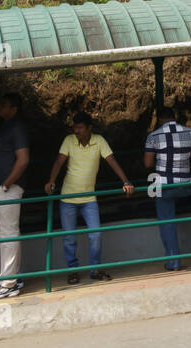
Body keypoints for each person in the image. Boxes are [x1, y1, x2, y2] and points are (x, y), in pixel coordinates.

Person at [44, 112, 134, 282]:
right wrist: (51, 181)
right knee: (69, 237)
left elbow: (111, 160)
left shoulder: (99, 140)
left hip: (89, 199)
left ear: (89, 128)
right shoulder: (69, 140)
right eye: (74, 127)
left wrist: (126, 181)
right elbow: (58, 161)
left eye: (79, 127)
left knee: (96, 234)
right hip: (67, 199)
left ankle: (95, 270)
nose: (76, 130)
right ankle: (73, 271)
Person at [143, 106, 191, 270]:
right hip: (186, 185)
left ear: (159, 119)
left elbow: (147, 164)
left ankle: (173, 261)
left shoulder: (153, 136)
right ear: (174, 117)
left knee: (166, 221)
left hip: (164, 185)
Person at [0, 92, 30, 300]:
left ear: (13, 108)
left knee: (8, 233)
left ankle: (8, 283)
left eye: (3, 104)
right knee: (8, 232)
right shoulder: (9, 126)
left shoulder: (17, 127)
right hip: (4, 187)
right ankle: (11, 276)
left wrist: (6, 184)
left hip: (8, 188)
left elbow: (23, 160)